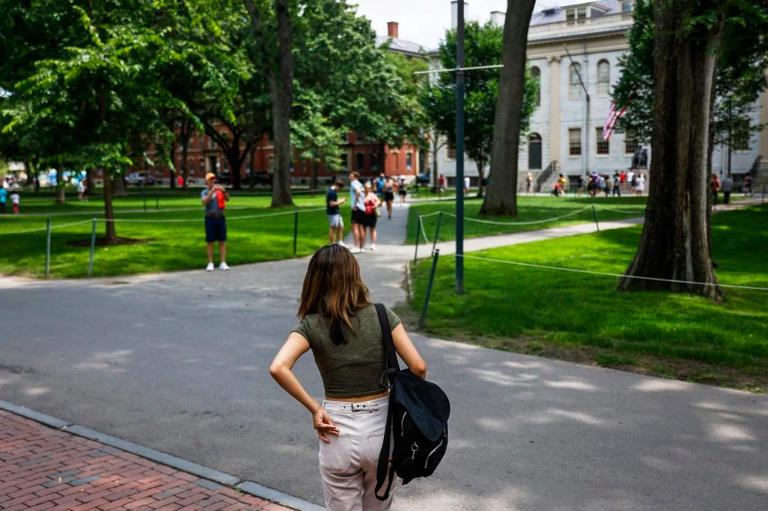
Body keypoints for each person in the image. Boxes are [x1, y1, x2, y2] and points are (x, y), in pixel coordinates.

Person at [269, 245, 427, 511]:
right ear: (354, 274)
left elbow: (278, 367)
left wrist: (315, 409)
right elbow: (419, 367)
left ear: (314, 280)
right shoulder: (382, 315)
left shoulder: (310, 324)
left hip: (336, 429)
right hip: (382, 428)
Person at [201, 172, 230, 271]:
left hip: (220, 217)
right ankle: (210, 262)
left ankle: (223, 262)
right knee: (210, 241)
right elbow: (204, 202)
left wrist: (223, 190)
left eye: (213, 179)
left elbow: (228, 199)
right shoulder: (205, 192)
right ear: (207, 182)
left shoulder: (219, 191)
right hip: (210, 218)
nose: (213, 181)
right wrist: (211, 192)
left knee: (222, 240)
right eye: (210, 180)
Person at [361, 182, 381, 251]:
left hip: (372, 214)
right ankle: (363, 245)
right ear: (364, 188)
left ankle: (373, 244)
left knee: (372, 229)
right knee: (363, 230)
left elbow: (378, 201)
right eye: (366, 188)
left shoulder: (372, 195)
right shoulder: (361, 195)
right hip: (363, 214)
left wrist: (375, 205)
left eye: (369, 188)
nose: (367, 189)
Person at [349, 171, 365, 253]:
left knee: (354, 227)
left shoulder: (354, 183)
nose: (349, 177)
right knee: (361, 227)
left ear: (355, 177)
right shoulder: (360, 184)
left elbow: (358, 192)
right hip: (362, 208)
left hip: (357, 208)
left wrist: (355, 204)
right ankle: (362, 247)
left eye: (351, 176)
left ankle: (356, 246)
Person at [326, 180, 346, 245]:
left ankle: (340, 241)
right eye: (340, 188)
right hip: (333, 213)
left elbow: (333, 200)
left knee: (341, 226)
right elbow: (331, 204)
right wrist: (341, 202)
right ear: (338, 186)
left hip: (337, 212)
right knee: (333, 227)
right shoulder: (332, 192)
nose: (339, 190)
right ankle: (333, 243)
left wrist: (339, 200)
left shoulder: (332, 191)